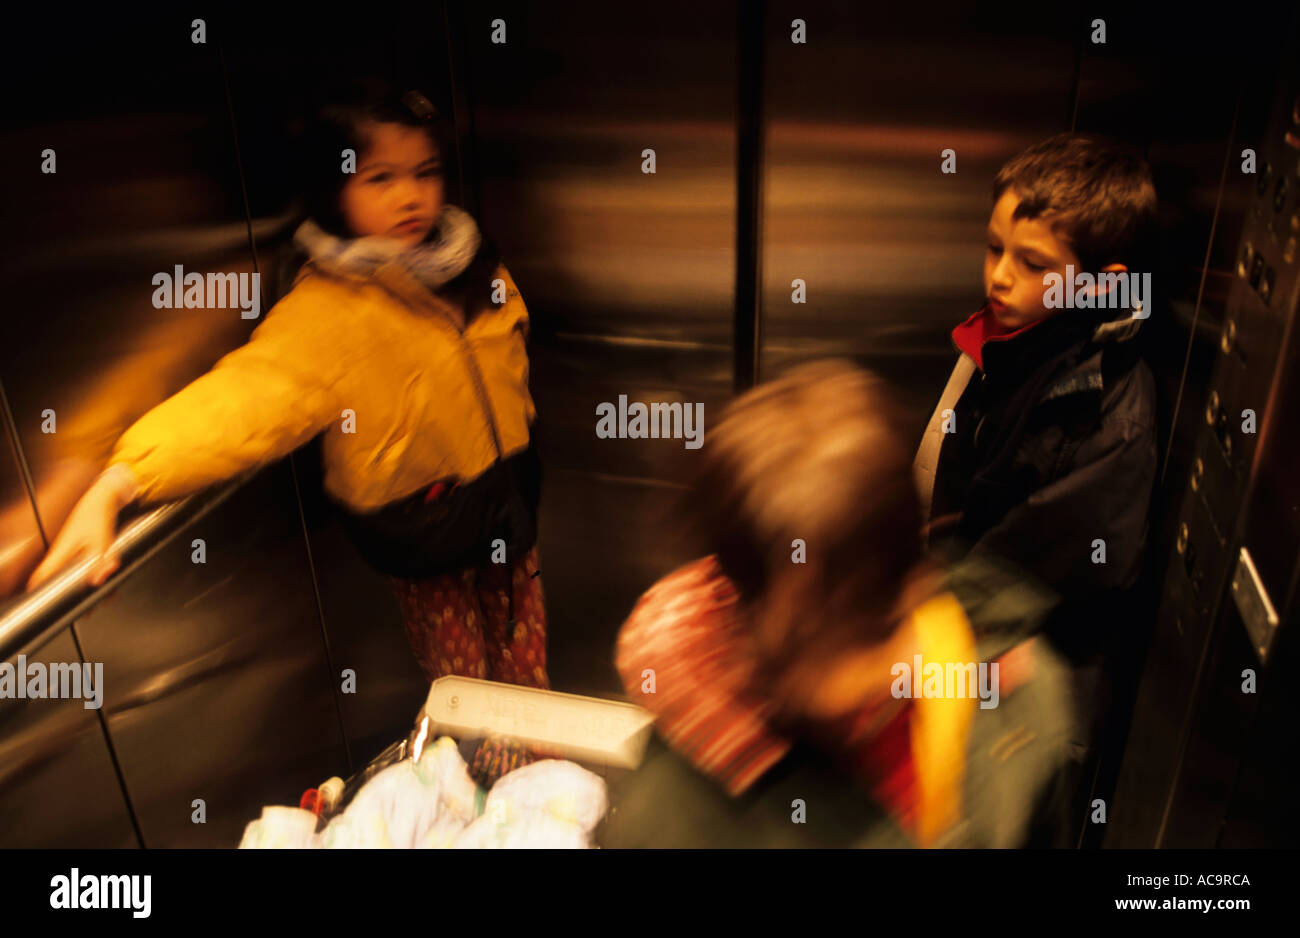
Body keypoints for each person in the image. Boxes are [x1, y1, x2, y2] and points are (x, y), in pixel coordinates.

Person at [27, 81, 550, 693]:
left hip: (510, 509)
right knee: (469, 693)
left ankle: (540, 769)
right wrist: (120, 482)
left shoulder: (475, 266)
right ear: (336, 194)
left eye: (425, 172)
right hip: (424, 529)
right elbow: (243, 401)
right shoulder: (327, 313)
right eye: (379, 178)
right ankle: (483, 775)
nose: (410, 195)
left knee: (529, 665)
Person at [600, 361, 1075, 848]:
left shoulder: (1018, 696)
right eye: (810, 643)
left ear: (915, 580)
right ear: (737, 618)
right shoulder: (673, 818)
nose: (861, 677)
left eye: (875, 627)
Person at [912, 133, 1159, 750]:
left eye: (1034, 265)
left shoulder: (1109, 420)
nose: (999, 277)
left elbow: (1015, 577)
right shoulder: (1012, 342)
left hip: (1024, 700)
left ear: (1103, 283)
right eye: (994, 249)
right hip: (963, 644)